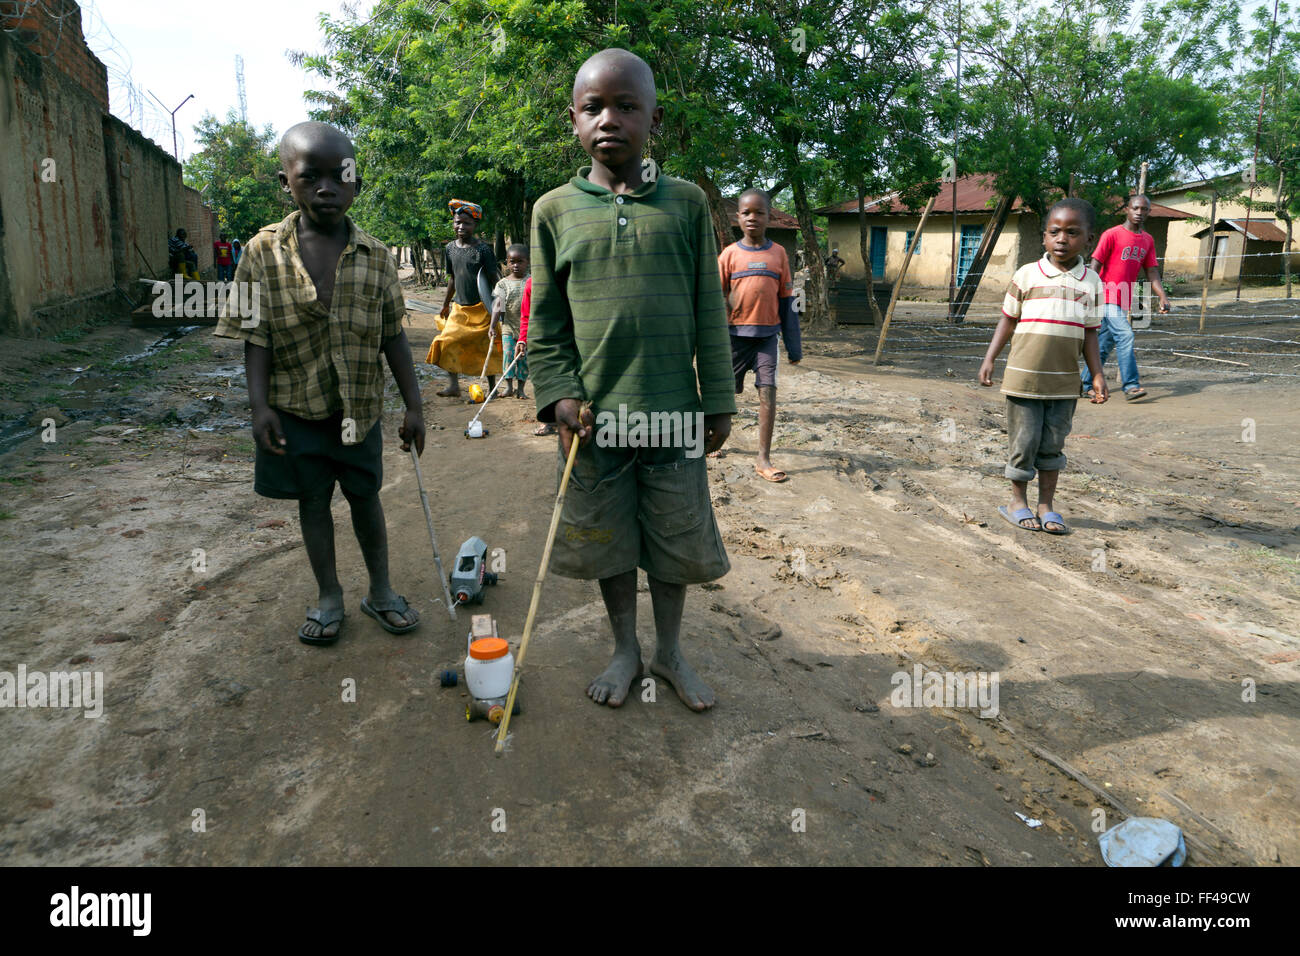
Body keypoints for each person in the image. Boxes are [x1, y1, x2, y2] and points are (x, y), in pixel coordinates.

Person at [529, 48, 735, 711]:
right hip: (594, 419)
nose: (609, 119)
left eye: (627, 106)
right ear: (573, 120)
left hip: (674, 412)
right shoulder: (554, 211)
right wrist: (559, 394)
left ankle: (670, 651)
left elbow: (710, 308)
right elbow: (548, 321)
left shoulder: (687, 205)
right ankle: (625, 648)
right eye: (594, 107)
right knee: (609, 537)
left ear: (656, 119)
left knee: (674, 538)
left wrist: (719, 400)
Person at [214, 121, 424, 645]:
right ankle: (329, 595)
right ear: (286, 182)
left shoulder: (376, 257)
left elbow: (394, 336)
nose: (326, 187)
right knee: (313, 501)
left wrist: (414, 406)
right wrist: (258, 406)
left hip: (360, 407)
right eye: (311, 177)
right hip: (295, 408)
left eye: (340, 176)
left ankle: (380, 592)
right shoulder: (261, 254)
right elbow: (255, 336)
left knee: (365, 497)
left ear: (356, 183)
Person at [979, 197, 1108, 535]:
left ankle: (1046, 506)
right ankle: (1017, 502)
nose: (1062, 239)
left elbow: (1091, 334)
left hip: (1065, 384)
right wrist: (990, 358)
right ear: (1044, 237)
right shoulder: (1026, 275)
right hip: (1023, 378)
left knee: (1052, 445)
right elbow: (1007, 321)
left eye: (1072, 233)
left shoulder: (1092, 283)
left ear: (1089, 239)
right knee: (1023, 442)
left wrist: (1096, 375)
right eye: (1054, 232)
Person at [718, 188, 800, 482]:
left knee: (768, 392)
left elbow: (787, 302)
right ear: (738, 217)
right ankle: (717, 440)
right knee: (727, 392)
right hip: (734, 337)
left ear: (769, 216)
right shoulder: (729, 255)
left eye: (759, 212)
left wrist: (794, 346)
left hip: (767, 338)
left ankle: (763, 458)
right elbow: (716, 300)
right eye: (746, 213)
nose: (753, 218)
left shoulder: (778, 254)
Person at [1081, 194, 1170, 401]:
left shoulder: (1147, 240)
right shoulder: (1111, 234)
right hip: (1105, 295)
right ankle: (1130, 385)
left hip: (1124, 298)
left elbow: (1152, 272)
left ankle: (1085, 384)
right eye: (1135, 208)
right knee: (1126, 335)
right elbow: (1095, 264)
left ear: (1149, 212)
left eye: (1144, 209)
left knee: (1103, 345)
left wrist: (1163, 297)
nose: (1139, 213)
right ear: (1127, 209)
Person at [427, 200, 500, 398]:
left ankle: (492, 387)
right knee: (447, 341)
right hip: (460, 307)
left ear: (475, 225)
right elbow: (452, 278)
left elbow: (494, 278)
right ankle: (453, 386)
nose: (461, 227)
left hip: (483, 308)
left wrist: (501, 302)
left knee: (487, 347)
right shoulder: (450, 248)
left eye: (466, 223)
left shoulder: (483, 250)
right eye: (457, 222)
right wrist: (444, 304)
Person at [491, 244, 530, 398]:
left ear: (527, 262)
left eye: (520, 261)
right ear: (507, 262)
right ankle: (508, 387)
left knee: (522, 358)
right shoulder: (502, 284)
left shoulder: (532, 281)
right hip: (508, 326)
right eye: (512, 261)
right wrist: (492, 325)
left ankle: (521, 389)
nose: (516, 265)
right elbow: (497, 306)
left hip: (526, 330)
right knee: (508, 354)